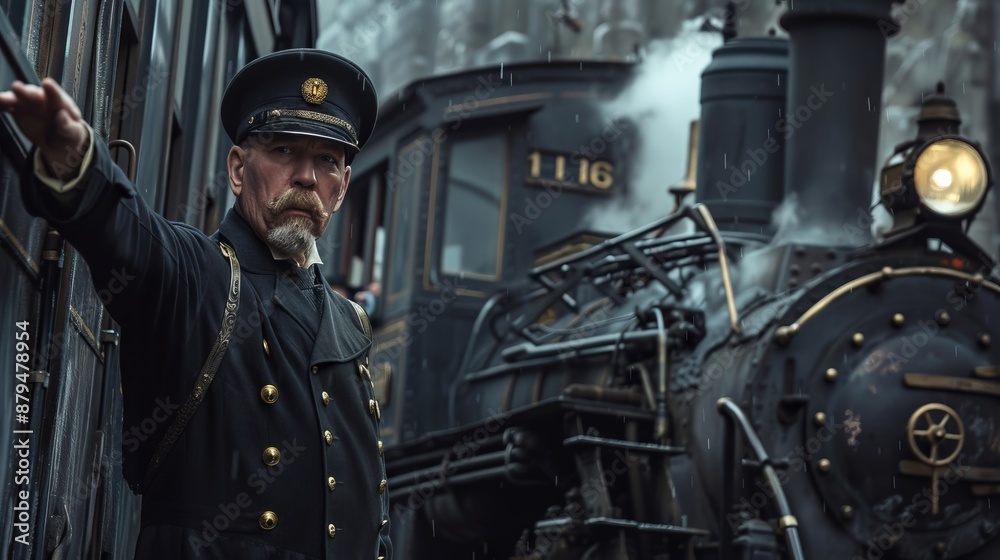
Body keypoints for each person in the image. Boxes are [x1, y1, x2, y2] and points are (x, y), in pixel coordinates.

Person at [0, 49, 390, 559]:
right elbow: (133, 237)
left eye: (327, 161)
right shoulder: (198, 274)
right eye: (284, 151)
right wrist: (81, 168)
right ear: (236, 168)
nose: (306, 177)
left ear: (340, 191)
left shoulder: (350, 322)